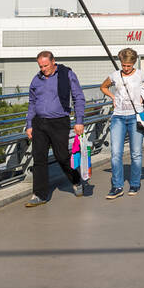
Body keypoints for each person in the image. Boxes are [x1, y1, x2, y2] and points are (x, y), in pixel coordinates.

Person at [25, 50, 87, 206]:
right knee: (39, 158)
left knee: (62, 156)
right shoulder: (36, 79)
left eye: (45, 65)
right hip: (39, 122)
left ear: (53, 62)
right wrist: (29, 124)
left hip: (59, 122)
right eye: (40, 66)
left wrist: (79, 121)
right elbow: (32, 103)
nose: (43, 69)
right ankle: (39, 195)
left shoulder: (67, 75)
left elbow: (78, 97)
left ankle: (76, 181)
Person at [100, 48, 144, 199]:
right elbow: (103, 87)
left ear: (133, 63)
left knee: (136, 153)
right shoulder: (115, 75)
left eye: (129, 65)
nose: (126, 68)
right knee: (115, 154)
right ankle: (117, 186)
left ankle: (135, 183)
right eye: (123, 65)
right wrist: (113, 97)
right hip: (118, 117)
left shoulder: (141, 74)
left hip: (136, 117)